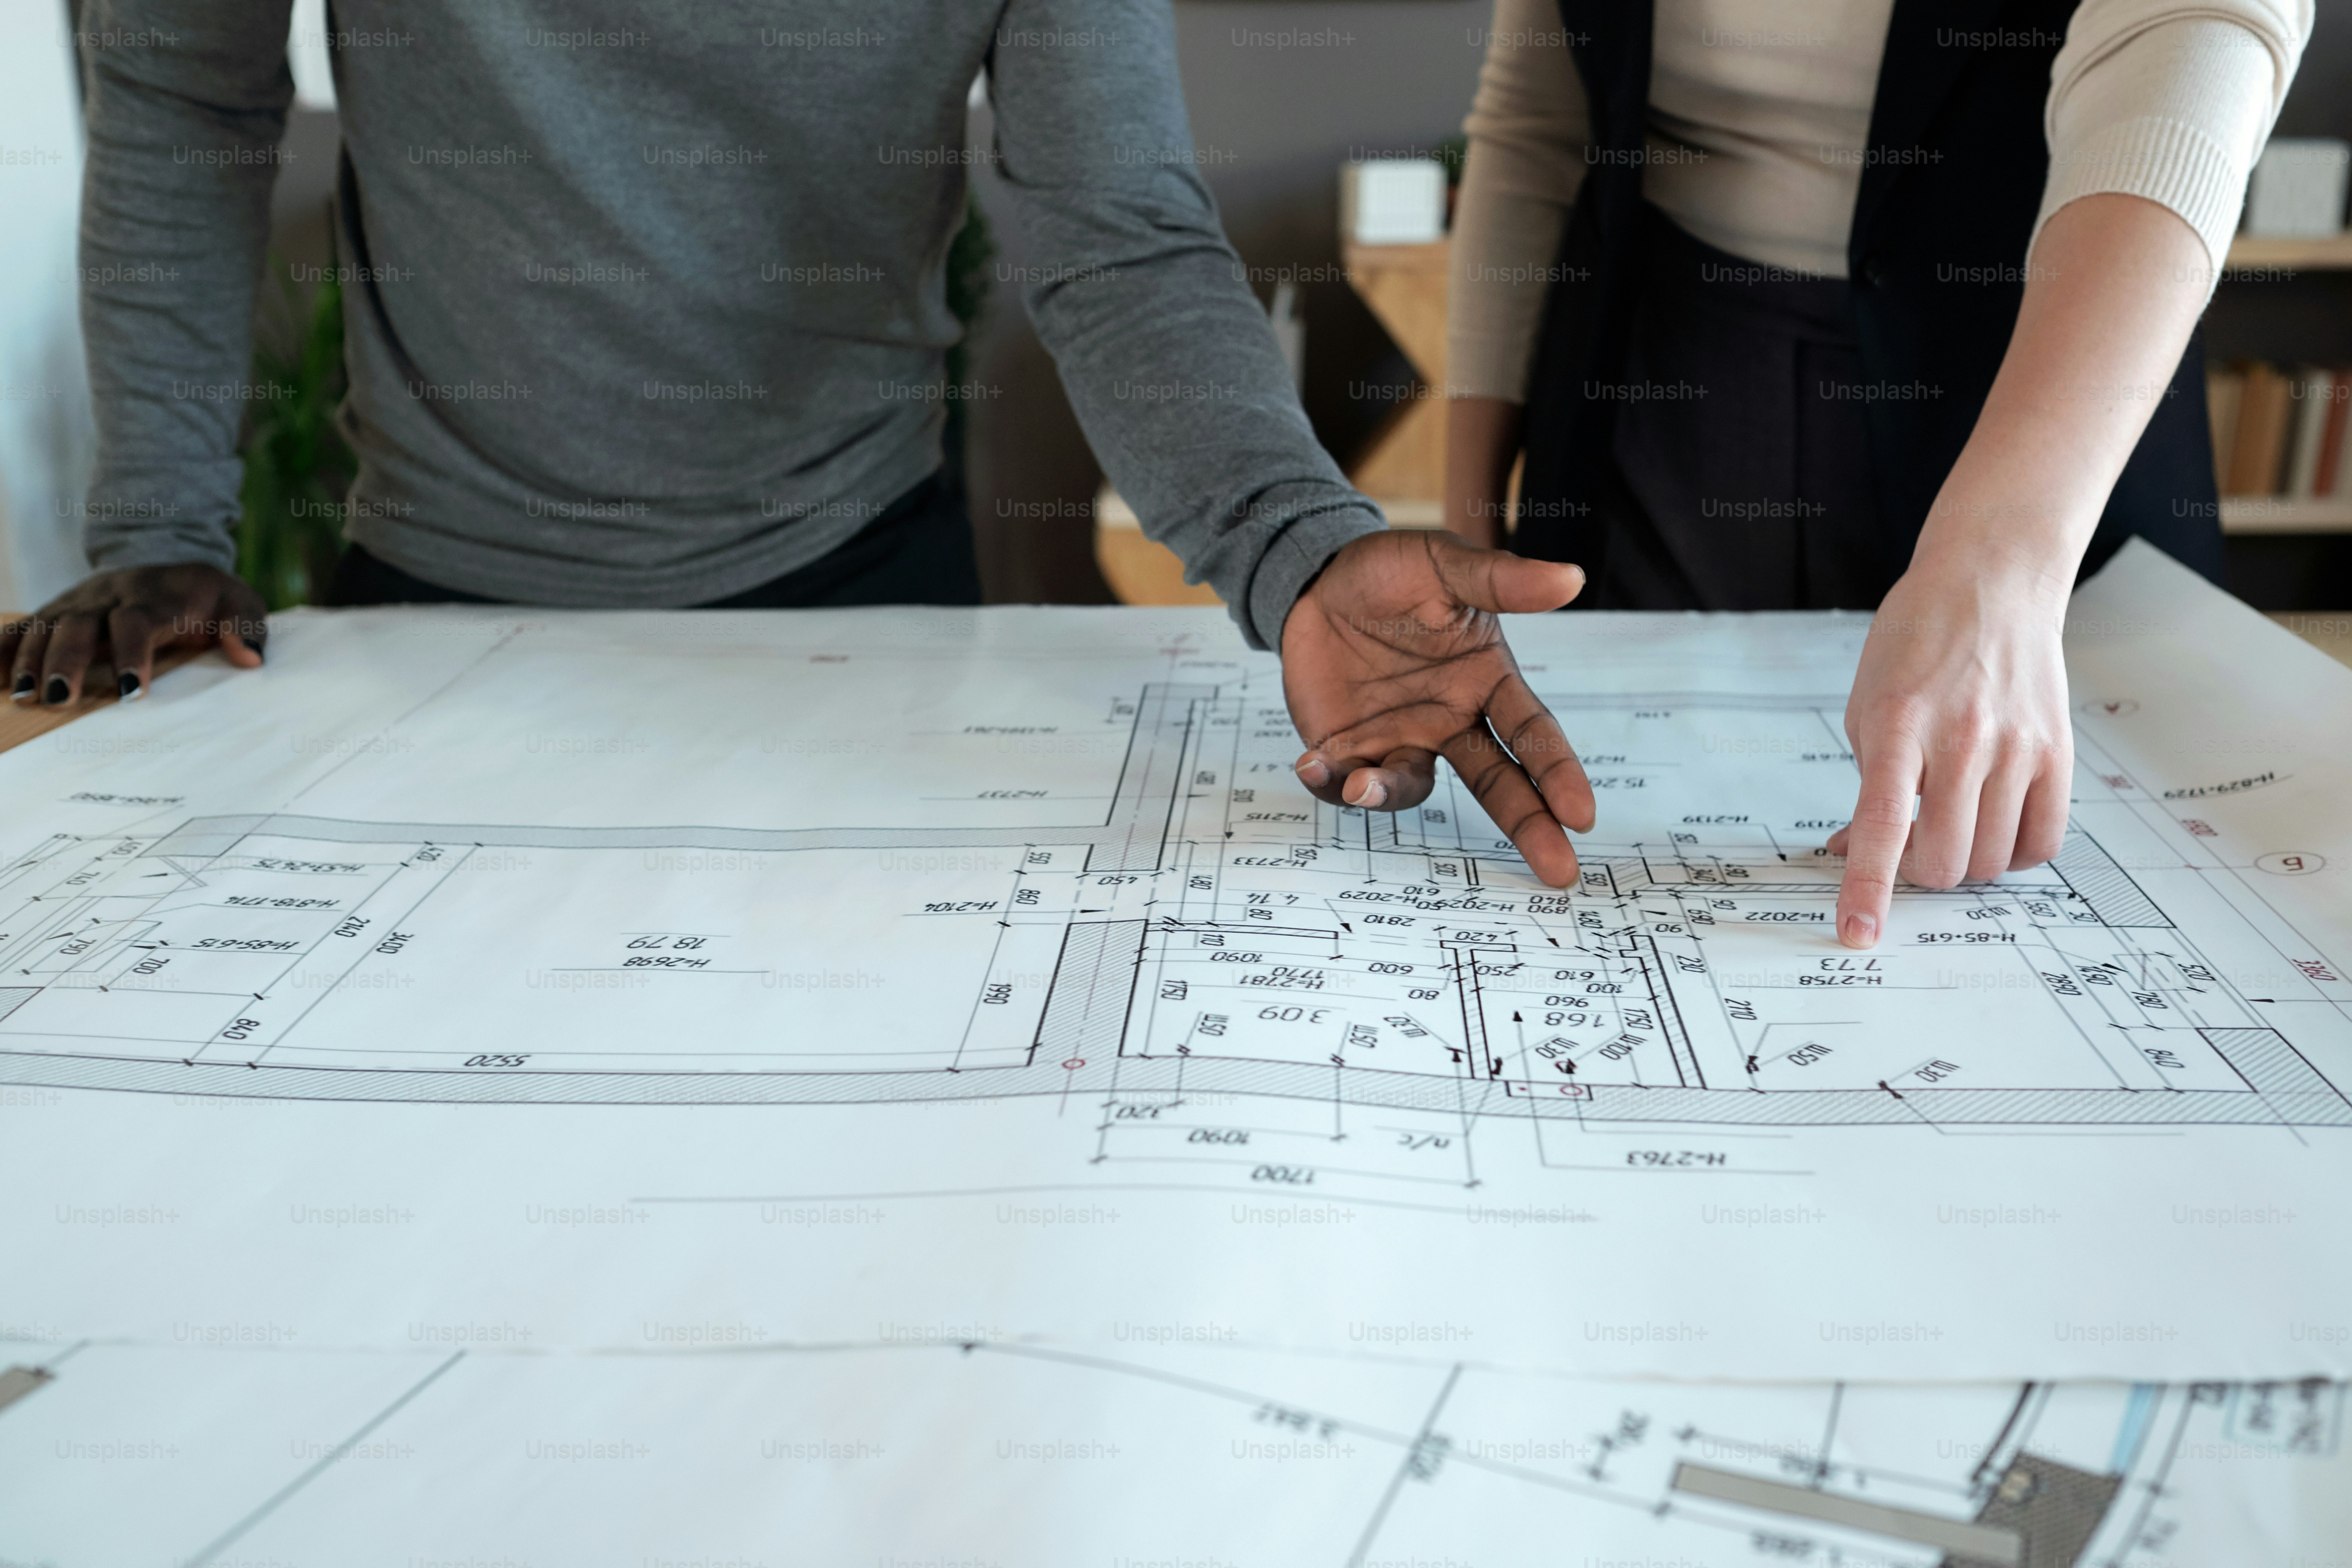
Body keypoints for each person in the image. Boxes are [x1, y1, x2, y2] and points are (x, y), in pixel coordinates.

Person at [8, 0, 1601, 888]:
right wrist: (158, 516)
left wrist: (1289, 540)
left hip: (865, 595)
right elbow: (179, 98)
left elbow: (1110, 229)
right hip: (432, 603)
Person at [1446, 0, 2306, 945]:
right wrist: (1467, 526)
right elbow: (1536, 121)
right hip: (1668, 380)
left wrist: (2006, 559)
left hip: (2043, 376)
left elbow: (2199, 30)